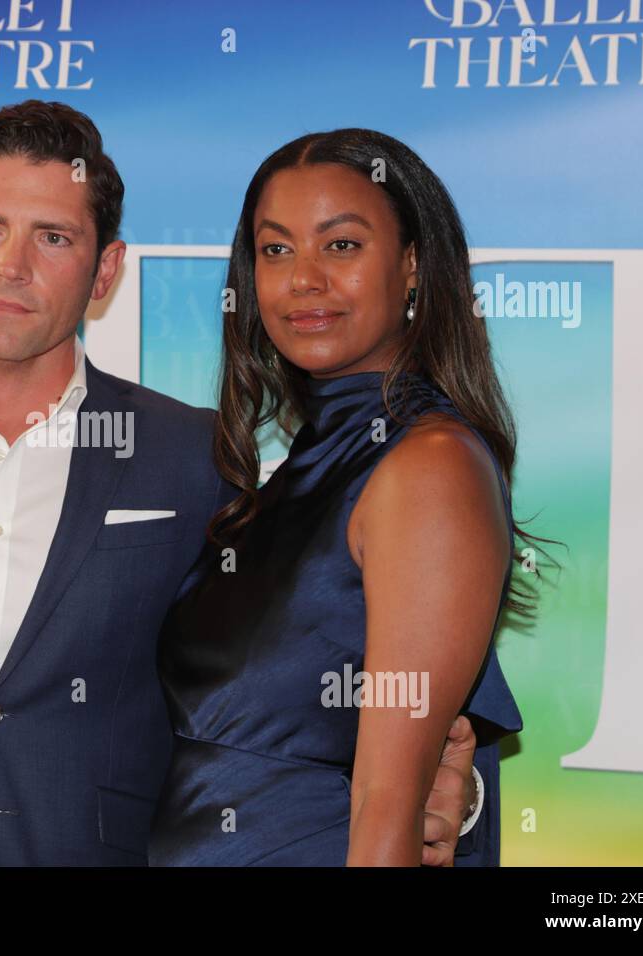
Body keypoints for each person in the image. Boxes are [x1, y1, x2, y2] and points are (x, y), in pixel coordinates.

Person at [0, 102, 487, 867]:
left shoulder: (194, 455)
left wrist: (454, 786)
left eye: (53, 237)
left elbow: (270, 678)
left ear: (106, 272)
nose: (12, 265)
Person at [149, 128, 531, 866]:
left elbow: (387, 810)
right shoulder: (293, 479)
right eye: (276, 249)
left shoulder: (430, 465)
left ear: (414, 266)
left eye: (343, 246)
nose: (303, 281)